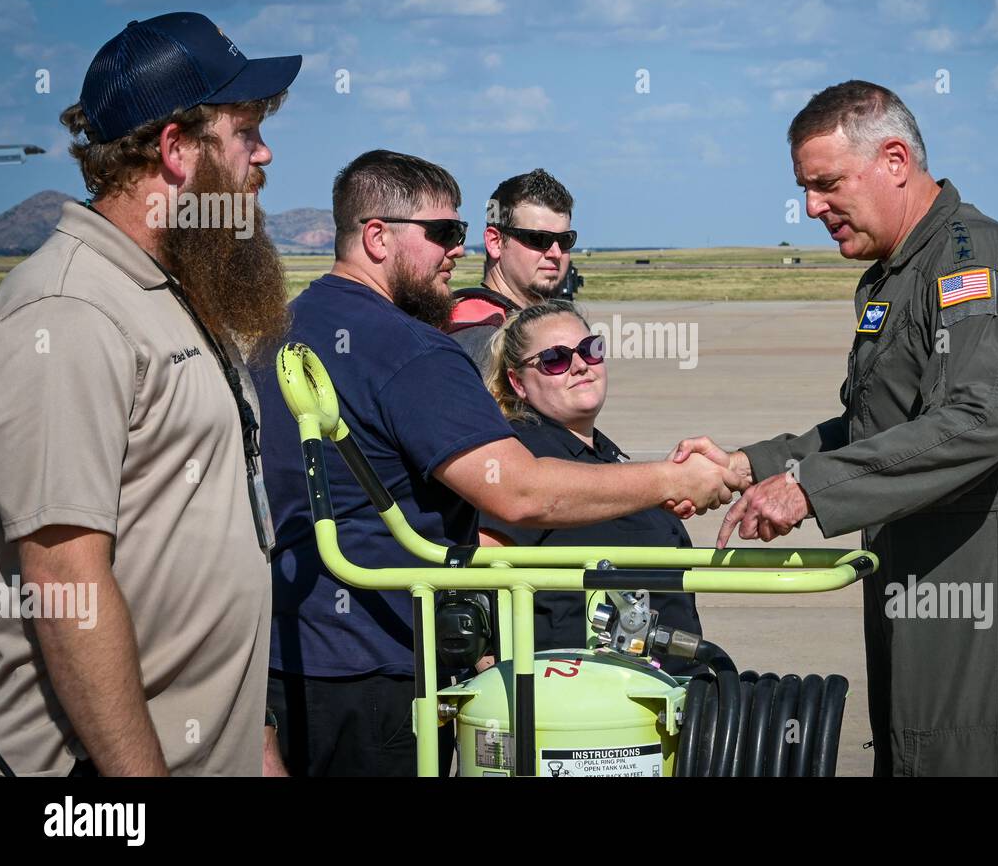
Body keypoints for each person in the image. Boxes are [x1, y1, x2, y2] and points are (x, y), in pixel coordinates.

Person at [253, 150, 741, 777]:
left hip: (286, 657)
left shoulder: (282, 330)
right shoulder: (409, 348)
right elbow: (519, 492)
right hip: (378, 663)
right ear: (377, 237)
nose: (456, 252)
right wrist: (674, 479)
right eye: (442, 234)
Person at [672, 80, 998, 777]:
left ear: (894, 159)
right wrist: (748, 466)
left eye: (827, 184)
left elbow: (979, 421)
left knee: (973, 759)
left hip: (986, 580)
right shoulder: (899, 270)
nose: (812, 207)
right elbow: (875, 427)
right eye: (805, 189)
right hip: (922, 571)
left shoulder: (971, 262)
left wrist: (810, 491)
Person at [0, 12, 299, 776]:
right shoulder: (69, 312)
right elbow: (65, 579)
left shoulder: (181, 290)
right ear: (174, 150)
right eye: (245, 132)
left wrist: (253, 737)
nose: (264, 154)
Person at [477, 301, 703, 676]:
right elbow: (479, 578)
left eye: (590, 349)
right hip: (579, 703)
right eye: (554, 359)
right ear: (518, 383)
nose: (580, 364)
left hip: (660, 693)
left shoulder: (604, 457)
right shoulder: (524, 458)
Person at [447, 168, 576, 370]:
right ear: (495, 241)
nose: (556, 253)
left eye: (565, 240)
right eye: (538, 239)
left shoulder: (547, 326)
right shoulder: (472, 335)